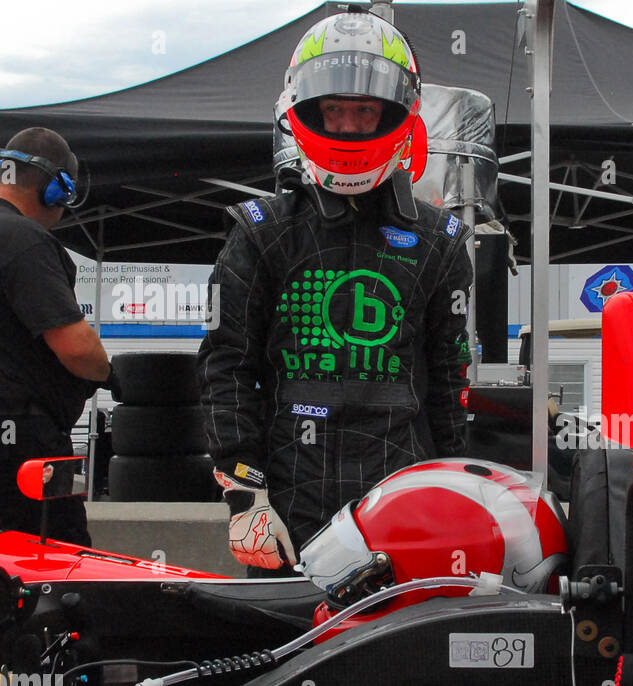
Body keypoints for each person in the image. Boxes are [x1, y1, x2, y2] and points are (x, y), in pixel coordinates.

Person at [198, 10, 472, 573]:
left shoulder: (439, 240)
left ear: (396, 113)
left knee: (403, 657)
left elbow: (450, 384)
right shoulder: (261, 231)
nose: (348, 127)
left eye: (365, 110)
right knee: (285, 656)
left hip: (402, 500)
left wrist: (456, 488)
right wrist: (244, 495)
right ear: (304, 113)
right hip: (290, 498)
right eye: (334, 111)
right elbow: (226, 368)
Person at [0, 127, 113, 545]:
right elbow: (79, 351)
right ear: (55, 190)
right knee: (59, 568)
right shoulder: (23, 239)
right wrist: (109, 374)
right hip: (20, 444)